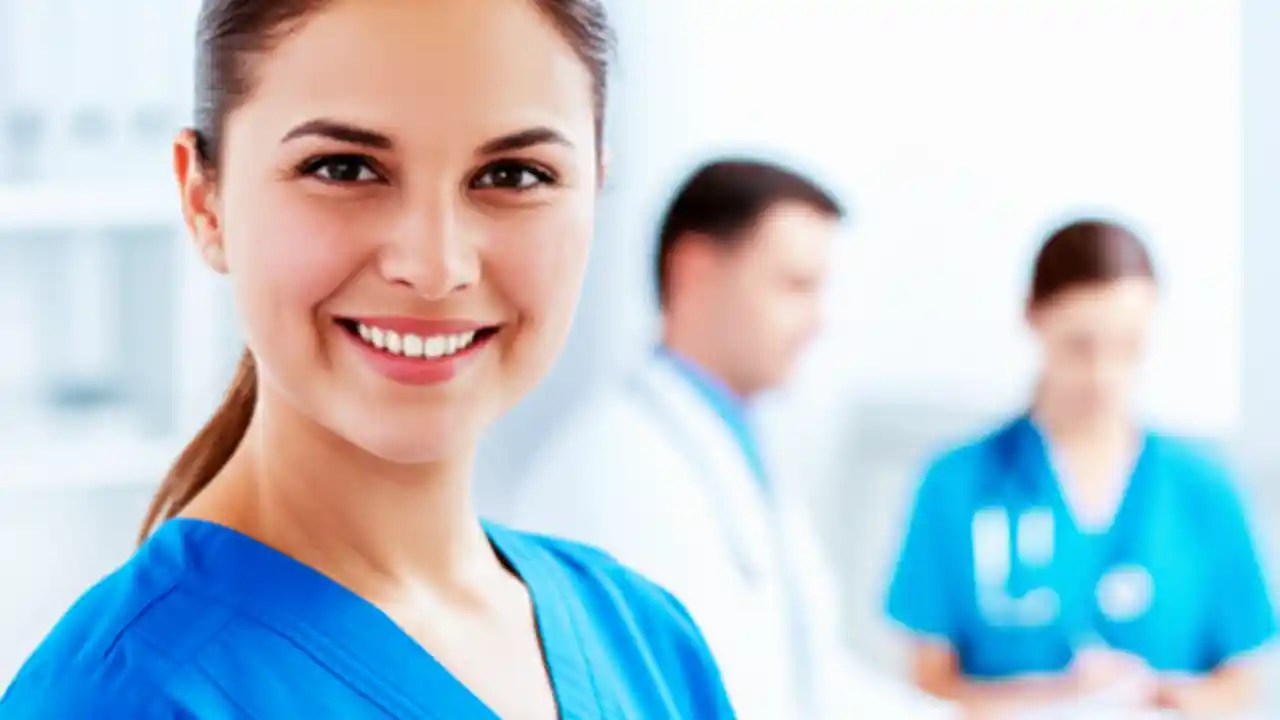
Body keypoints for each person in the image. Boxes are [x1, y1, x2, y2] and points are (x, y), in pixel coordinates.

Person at [0, 1, 736, 717]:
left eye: (513, 175)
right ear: (205, 202)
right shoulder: (120, 698)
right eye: (345, 168)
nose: (436, 264)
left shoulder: (647, 643)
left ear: (595, 190)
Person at [509, 159, 955, 718]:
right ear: (694, 271)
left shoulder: (730, 448)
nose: (819, 321)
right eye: (795, 286)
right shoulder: (617, 467)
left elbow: (805, 679)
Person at [886, 219, 1276, 718]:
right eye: (1080, 345)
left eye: (1127, 346)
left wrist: (1158, 697)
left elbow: (1241, 684)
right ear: (1033, 316)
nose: (1103, 375)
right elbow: (928, 685)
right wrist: (1054, 701)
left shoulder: (1205, 489)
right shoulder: (954, 484)